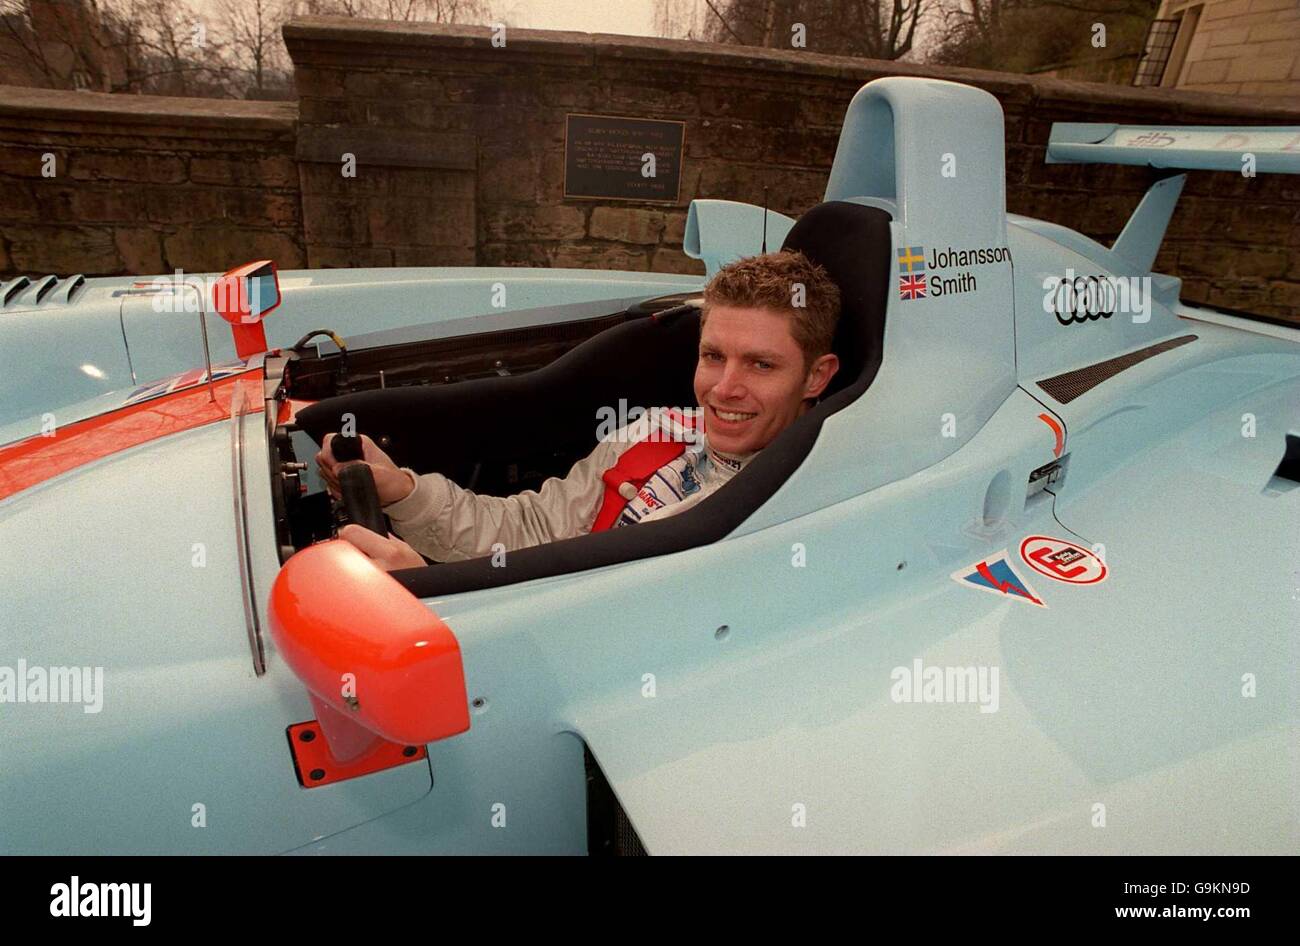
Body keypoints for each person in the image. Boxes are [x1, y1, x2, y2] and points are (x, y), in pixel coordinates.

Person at [317, 250, 841, 571]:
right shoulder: (656, 431)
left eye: (760, 365)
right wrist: (405, 493)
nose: (724, 389)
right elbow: (532, 528)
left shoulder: (815, 510)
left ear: (816, 376)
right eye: (713, 357)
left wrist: (432, 593)